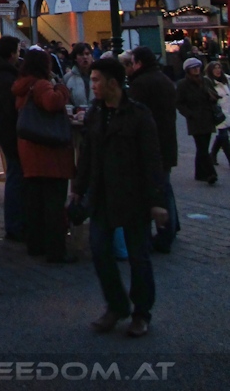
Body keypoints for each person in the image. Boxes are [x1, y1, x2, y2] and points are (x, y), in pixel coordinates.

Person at [72, 57, 168, 337]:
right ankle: (116, 305)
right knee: (100, 251)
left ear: (113, 83)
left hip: (133, 194)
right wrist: (78, 188)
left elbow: (152, 159)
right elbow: (87, 154)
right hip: (101, 193)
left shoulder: (138, 114)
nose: (93, 86)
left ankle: (141, 312)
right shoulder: (95, 114)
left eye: (97, 80)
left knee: (139, 257)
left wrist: (157, 201)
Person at [11, 46, 75, 263]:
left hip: (29, 149)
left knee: (35, 201)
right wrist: (62, 90)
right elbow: (52, 102)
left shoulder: (23, 85)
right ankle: (56, 250)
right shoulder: (40, 85)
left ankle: (35, 244)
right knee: (53, 203)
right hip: (48, 151)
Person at [125, 46, 179, 253]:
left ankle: (165, 232)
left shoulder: (141, 84)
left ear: (139, 63)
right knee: (165, 186)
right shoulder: (164, 79)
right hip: (167, 141)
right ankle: (171, 228)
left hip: (152, 144)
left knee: (159, 188)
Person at [0, 35, 25, 241]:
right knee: (16, 174)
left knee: (14, 172)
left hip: (2, 127)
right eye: (17, 50)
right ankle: (14, 223)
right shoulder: (6, 76)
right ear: (12, 53)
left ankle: (15, 222)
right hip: (9, 129)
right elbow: (11, 107)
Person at [176, 56, 218, 185]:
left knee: (203, 147)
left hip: (207, 117)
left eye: (197, 67)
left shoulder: (205, 81)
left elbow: (215, 95)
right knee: (202, 147)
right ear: (188, 70)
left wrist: (213, 97)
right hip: (195, 119)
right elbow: (179, 103)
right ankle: (211, 173)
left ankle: (199, 173)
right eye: (193, 68)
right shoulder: (183, 84)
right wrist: (190, 114)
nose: (196, 70)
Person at [207, 61, 230, 166]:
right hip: (219, 114)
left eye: (219, 68)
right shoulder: (208, 83)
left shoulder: (227, 80)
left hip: (229, 111)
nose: (217, 70)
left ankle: (212, 154)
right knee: (224, 137)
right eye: (215, 68)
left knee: (221, 137)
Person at [64, 43, 94, 108]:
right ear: (75, 58)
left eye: (87, 54)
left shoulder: (99, 76)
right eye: (81, 54)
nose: (85, 57)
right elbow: (66, 102)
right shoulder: (67, 78)